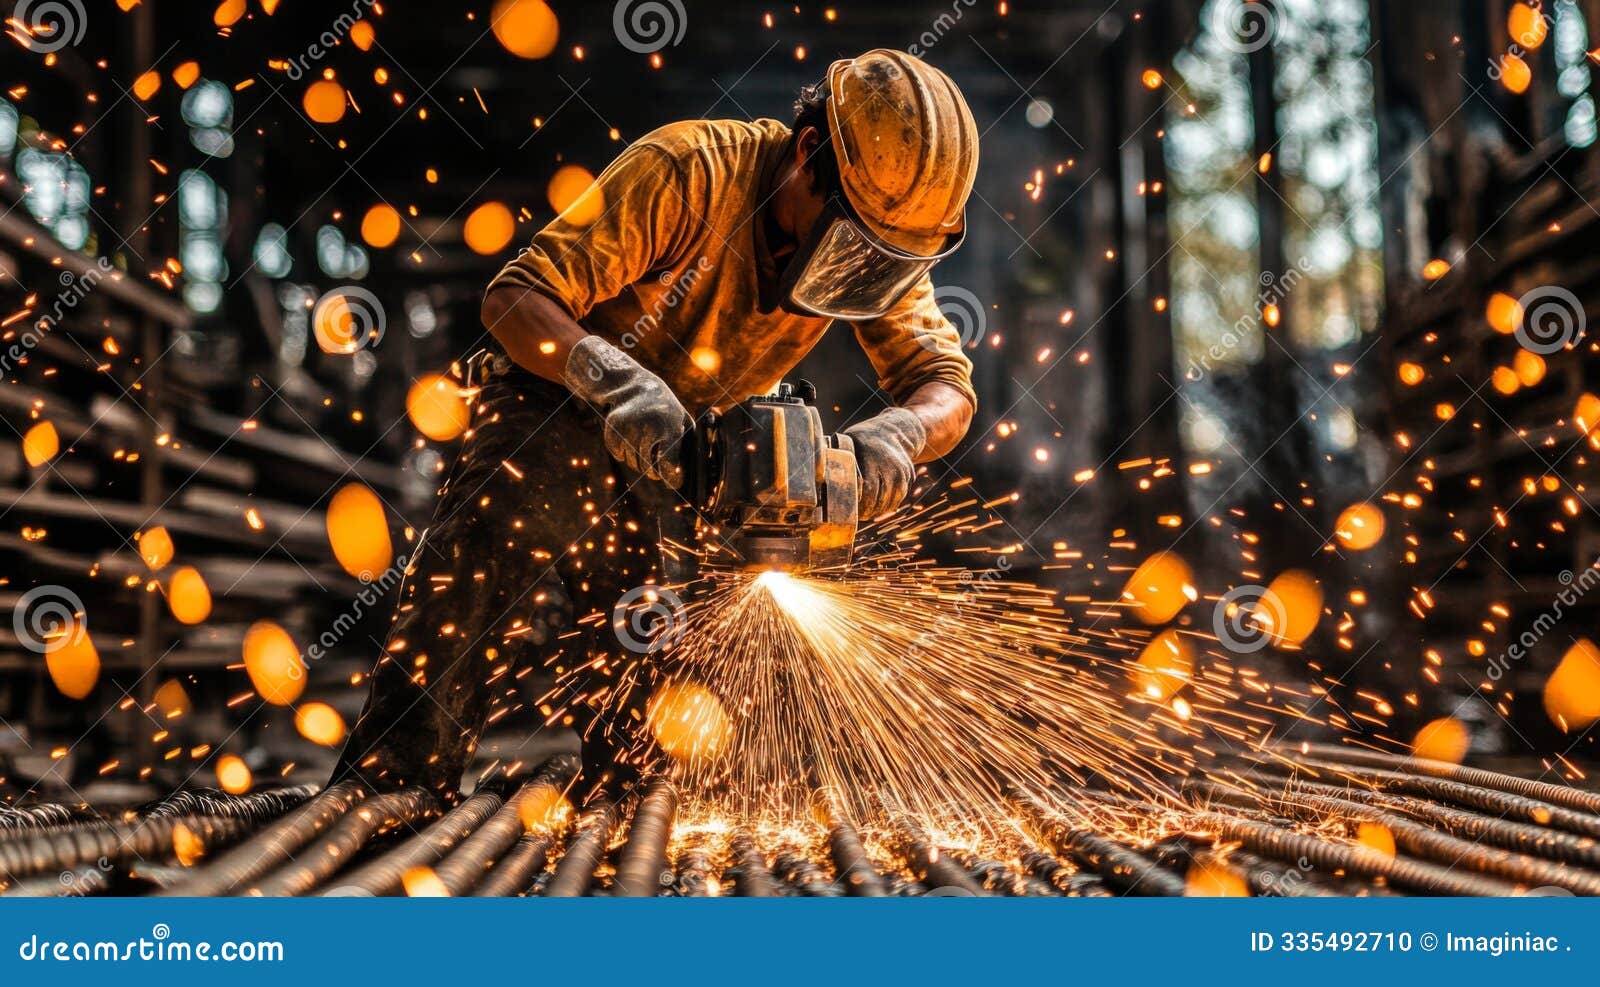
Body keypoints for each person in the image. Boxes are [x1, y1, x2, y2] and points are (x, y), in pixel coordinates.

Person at [334, 49, 981, 801]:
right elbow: (513, 298)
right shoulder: (689, 172)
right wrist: (612, 378)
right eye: (853, 248)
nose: (860, 276)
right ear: (808, 156)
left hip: (689, 453)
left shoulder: (882, 234)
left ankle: (632, 816)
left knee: (655, 680)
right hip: (558, 403)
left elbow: (946, 387)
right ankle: (393, 787)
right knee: (484, 555)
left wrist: (897, 437)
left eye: (883, 263)